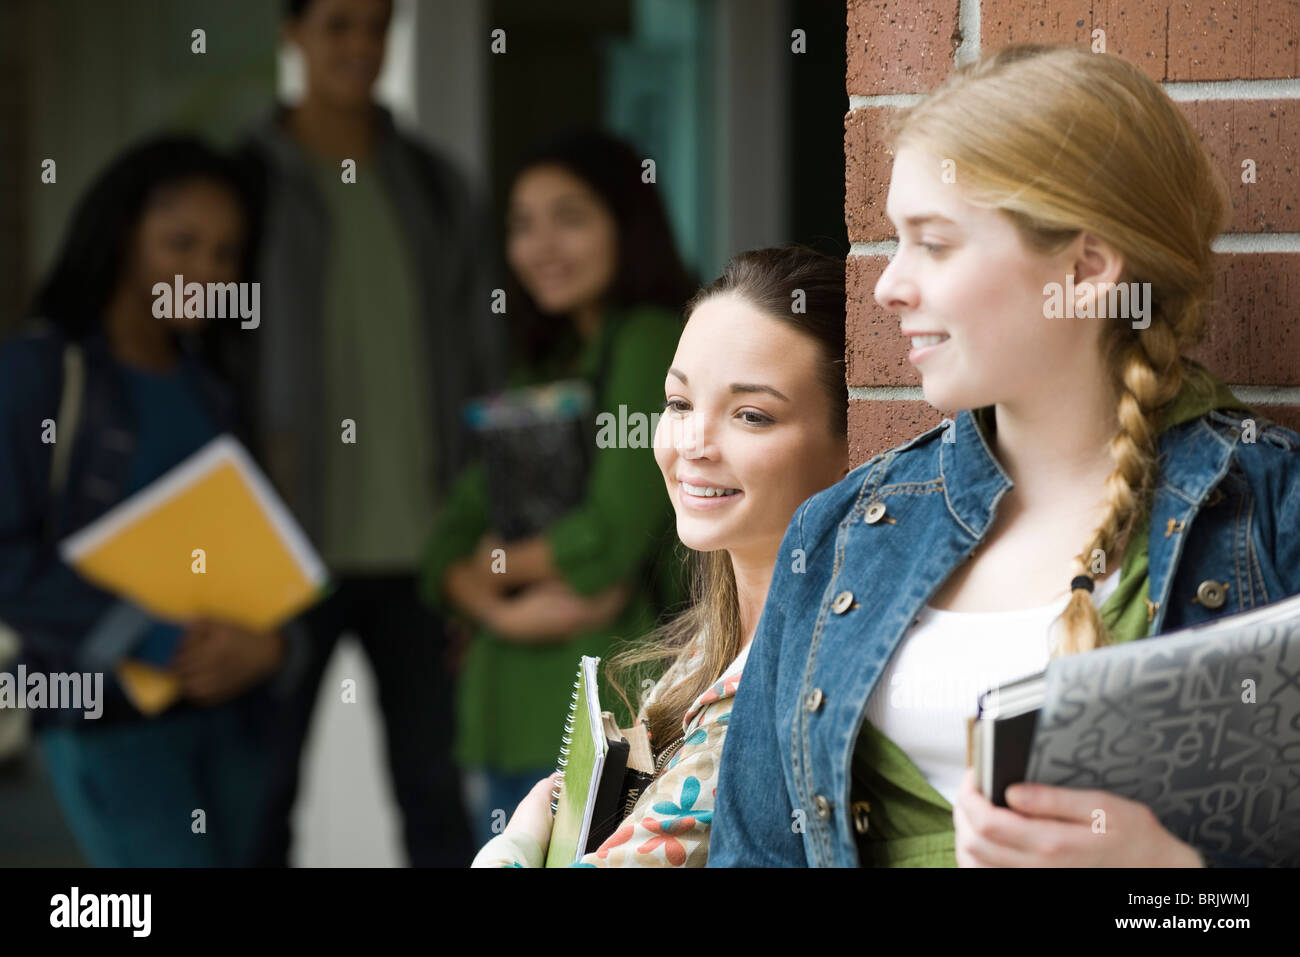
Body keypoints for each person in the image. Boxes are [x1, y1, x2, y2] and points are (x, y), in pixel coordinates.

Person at [709, 44, 1300, 868]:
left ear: (1087, 270)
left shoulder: (1277, 515)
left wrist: (1168, 882)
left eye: (935, 244)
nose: (887, 286)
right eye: (894, 241)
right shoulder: (840, 531)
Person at [470, 245, 852, 866]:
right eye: (678, 403)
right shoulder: (713, 649)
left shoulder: (783, 688)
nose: (693, 443)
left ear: (849, 444)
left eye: (751, 415)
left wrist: (514, 843)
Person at [238, 0, 502, 867]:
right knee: (259, 801)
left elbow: (481, 372)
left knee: (433, 800)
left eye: (376, 26)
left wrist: (481, 534)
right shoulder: (245, 181)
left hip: (422, 551)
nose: (360, 47)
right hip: (280, 549)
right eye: (337, 25)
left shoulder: (434, 184)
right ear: (292, 33)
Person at [0, 135, 291, 866]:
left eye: (226, 253)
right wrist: (156, 639)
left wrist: (273, 647)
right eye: (181, 242)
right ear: (122, 233)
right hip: (107, 716)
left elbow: (254, 551)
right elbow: (7, 558)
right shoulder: (39, 371)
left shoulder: (213, 387)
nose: (205, 271)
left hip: (232, 718)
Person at [419, 130, 697, 849]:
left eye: (570, 217)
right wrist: (497, 603)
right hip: (505, 707)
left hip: (601, 706)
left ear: (624, 224)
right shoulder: (543, 364)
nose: (543, 245)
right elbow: (445, 545)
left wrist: (494, 569)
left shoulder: (650, 339)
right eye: (523, 224)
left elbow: (610, 538)